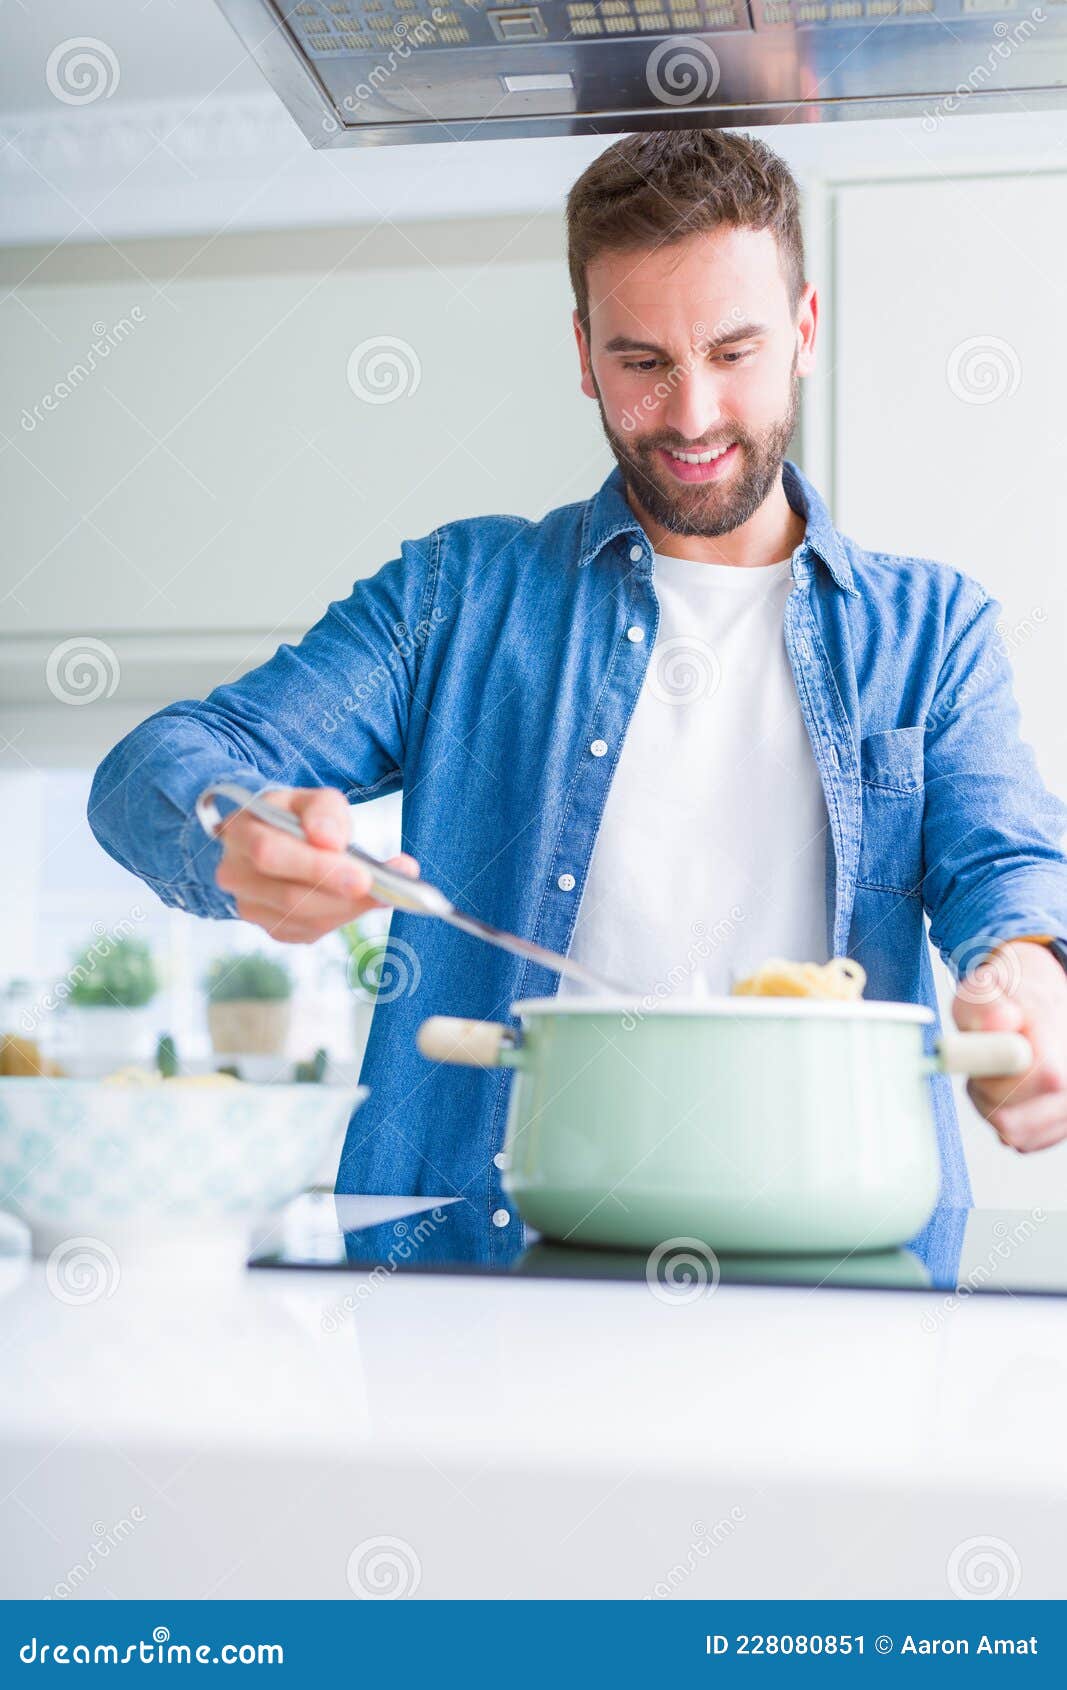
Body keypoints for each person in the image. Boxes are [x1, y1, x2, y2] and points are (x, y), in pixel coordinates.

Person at [88, 129, 1067, 1251]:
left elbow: (1006, 866)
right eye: (641, 361)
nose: (692, 414)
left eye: (733, 352)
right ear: (582, 351)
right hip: (475, 1276)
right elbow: (157, 763)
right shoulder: (457, 596)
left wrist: (1026, 977)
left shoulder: (930, 631)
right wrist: (233, 824)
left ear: (802, 331)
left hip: (841, 1255)